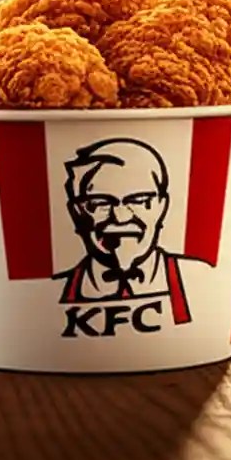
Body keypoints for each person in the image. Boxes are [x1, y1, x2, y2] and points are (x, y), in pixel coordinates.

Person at [54, 138, 202, 322]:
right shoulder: (46, 295)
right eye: (100, 202)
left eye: (138, 200)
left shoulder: (203, 281)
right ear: (76, 212)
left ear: (161, 207)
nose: (121, 217)